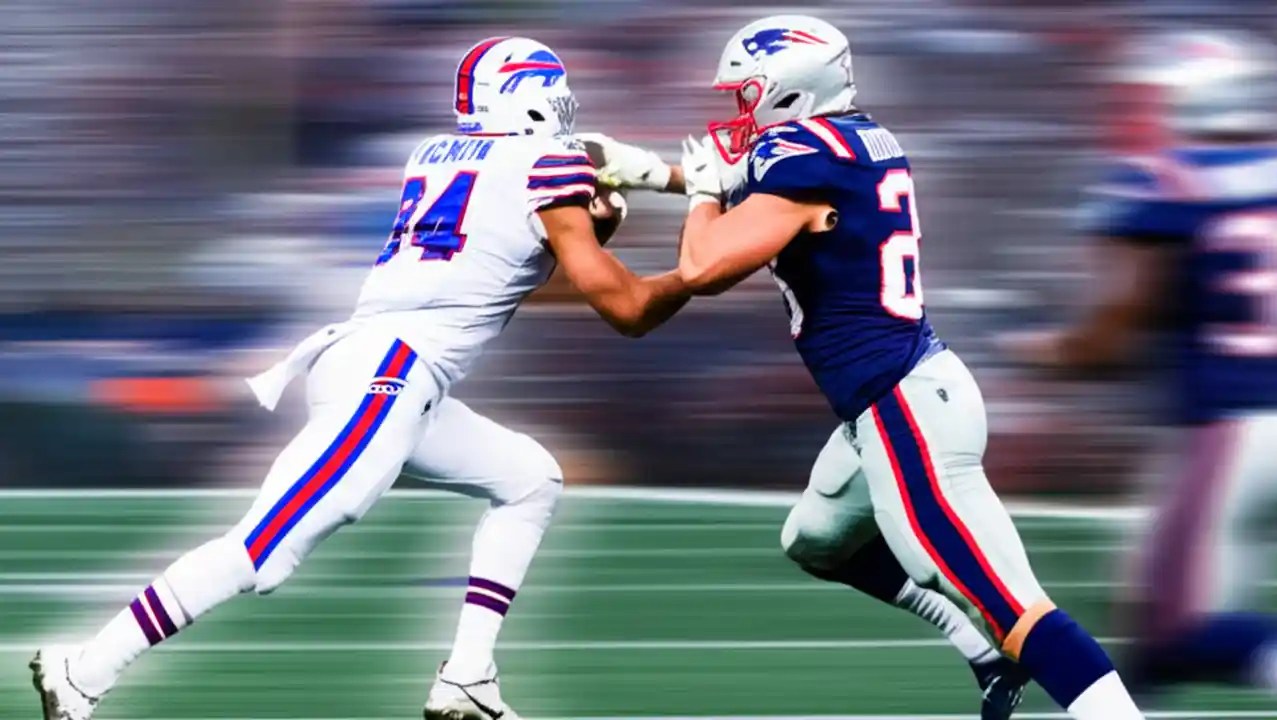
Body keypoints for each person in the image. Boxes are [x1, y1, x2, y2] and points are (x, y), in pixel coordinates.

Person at [32, 36, 689, 720]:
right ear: (535, 96)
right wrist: (691, 269)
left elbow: (510, 248)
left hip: (391, 370)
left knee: (529, 478)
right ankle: (83, 670)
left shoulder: (434, 153)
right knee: (262, 552)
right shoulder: (548, 166)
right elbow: (624, 307)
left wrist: (630, 196)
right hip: (392, 374)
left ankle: (466, 676)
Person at [588, 14, 1145, 719]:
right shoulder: (854, 139)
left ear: (788, 92)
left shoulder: (802, 156)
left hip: (905, 409)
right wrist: (652, 173)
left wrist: (696, 194)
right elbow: (761, 192)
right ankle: (981, 653)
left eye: (746, 94)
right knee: (817, 540)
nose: (737, 111)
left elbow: (702, 265)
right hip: (892, 400)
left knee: (1015, 609)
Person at [1006, 29, 1277, 699]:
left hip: (1231, 431)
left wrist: (1051, 353)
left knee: (1174, 631)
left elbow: (1120, 329)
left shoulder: (1167, 182)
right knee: (1149, 634)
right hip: (1243, 425)